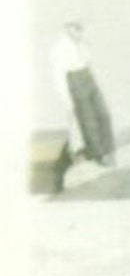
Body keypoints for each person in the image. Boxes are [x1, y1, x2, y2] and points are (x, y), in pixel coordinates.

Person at [50, 20, 116, 167]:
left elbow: (89, 61)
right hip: (75, 80)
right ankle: (99, 154)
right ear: (67, 28)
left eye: (80, 28)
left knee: (104, 114)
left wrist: (83, 43)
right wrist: (66, 97)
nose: (79, 31)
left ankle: (108, 149)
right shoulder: (59, 48)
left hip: (88, 77)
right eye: (75, 28)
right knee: (88, 120)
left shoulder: (82, 43)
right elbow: (58, 75)